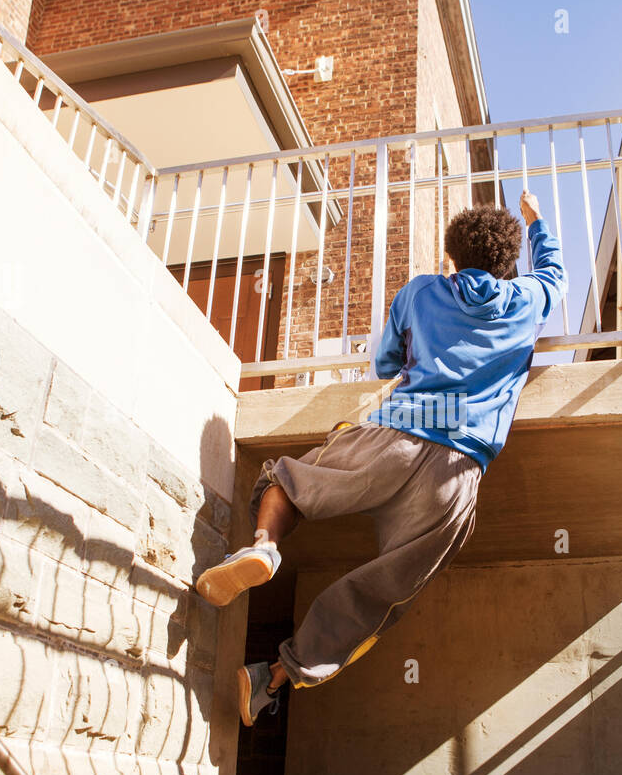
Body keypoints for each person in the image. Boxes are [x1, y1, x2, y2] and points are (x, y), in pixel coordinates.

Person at [195, 190, 567, 726]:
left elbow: (386, 361)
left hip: (394, 437)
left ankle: (264, 547)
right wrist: (534, 218)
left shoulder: (420, 292)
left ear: (452, 256)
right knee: (379, 594)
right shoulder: (527, 300)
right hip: (457, 475)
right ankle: (271, 679)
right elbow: (553, 272)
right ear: (507, 265)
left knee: (289, 478)